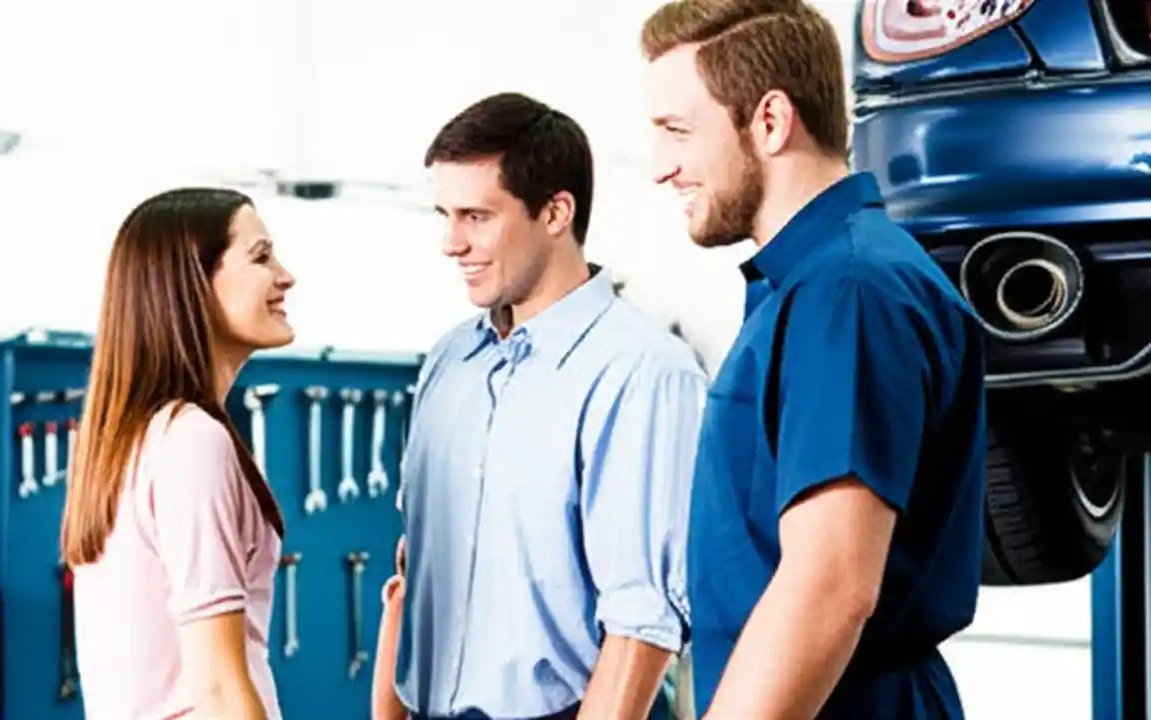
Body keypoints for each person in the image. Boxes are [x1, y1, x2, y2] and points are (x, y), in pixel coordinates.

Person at [640, 1, 988, 718]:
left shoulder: (848, 293)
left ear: (769, 121)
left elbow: (829, 588)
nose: (660, 168)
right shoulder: (811, 287)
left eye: (677, 131)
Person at [371, 91, 707, 720]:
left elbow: (642, 625)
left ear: (556, 212)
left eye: (476, 216)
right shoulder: (449, 363)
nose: (451, 242)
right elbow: (411, 572)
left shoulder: (643, 372)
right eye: (444, 214)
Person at [60, 187, 296, 720]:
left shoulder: (132, 440)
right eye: (260, 257)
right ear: (191, 283)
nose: (285, 276)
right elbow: (215, 687)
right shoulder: (191, 441)